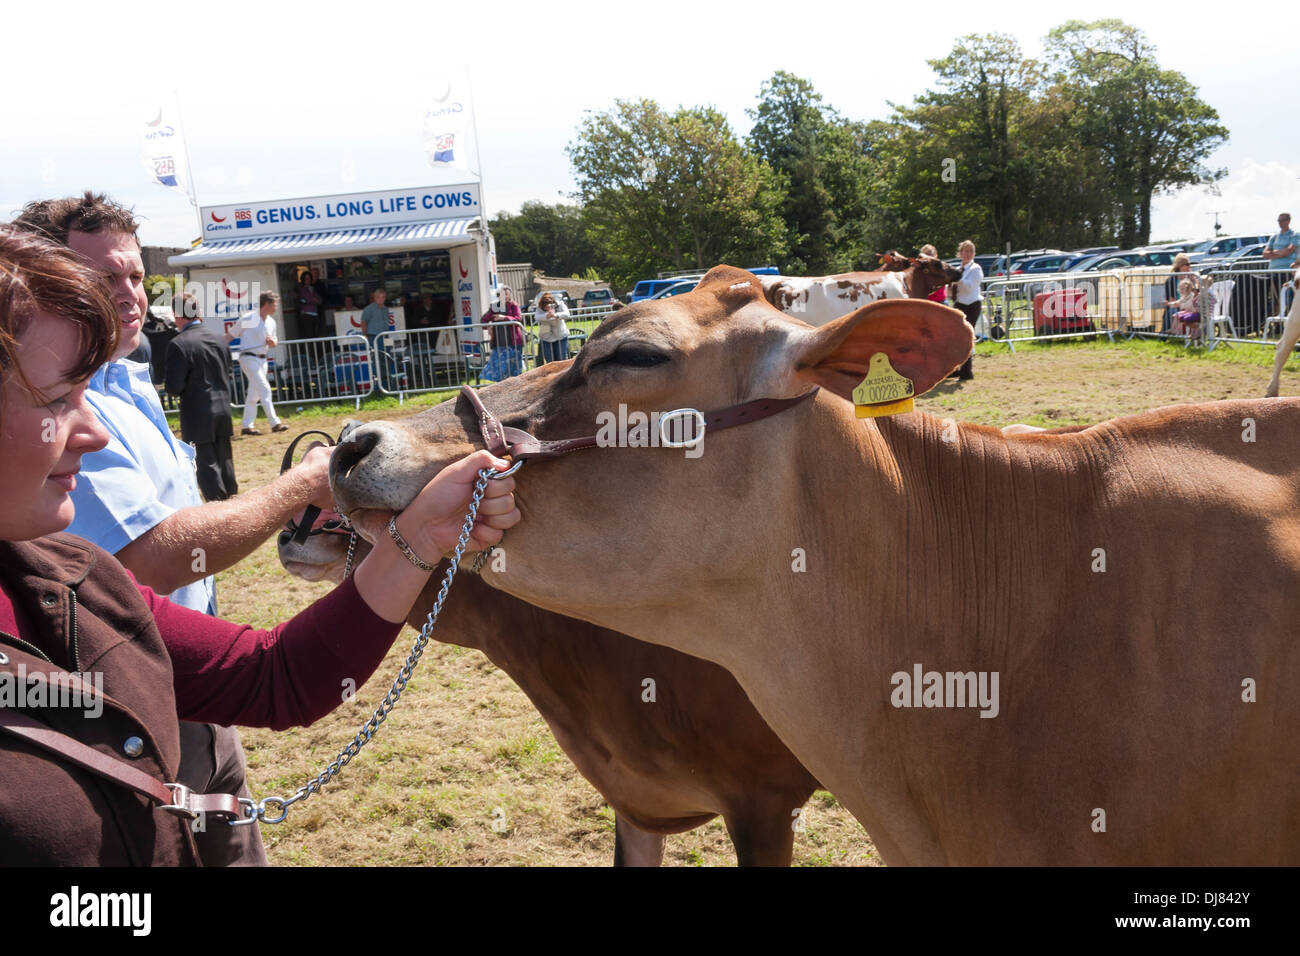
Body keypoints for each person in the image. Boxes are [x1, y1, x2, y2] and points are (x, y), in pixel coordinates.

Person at [0, 226, 520, 865]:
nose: (93, 434)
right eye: (58, 400)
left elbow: (276, 677)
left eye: (86, 396)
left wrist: (424, 534)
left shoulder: (70, 575)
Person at [10, 192, 331, 867]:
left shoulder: (124, 382)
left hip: (193, 688)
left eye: (134, 276)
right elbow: (153, 559)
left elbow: (279, 670)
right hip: (123, 707)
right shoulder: (63, 411)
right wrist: (302, 486)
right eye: (102, 278)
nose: (126, 293)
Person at [164, 293, 237, 501]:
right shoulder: (219, 340)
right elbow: (228, 371)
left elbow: (174, 387)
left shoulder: (179, 344)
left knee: (205, 463)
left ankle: (216, 505)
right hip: (223, 405)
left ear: (177, 314)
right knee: (225, 458)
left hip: (197, 411)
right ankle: (232, 500)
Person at [227, 291, 285, 435]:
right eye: (275, 303)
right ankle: (275, 423)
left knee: (254, 395)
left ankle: (247, 426)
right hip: (248, 358)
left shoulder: (271, 321)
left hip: (262, 359)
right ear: (267, 304)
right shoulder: (248, 318)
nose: (276, 307)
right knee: (265, 389)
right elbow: (231, 335)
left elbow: (275, 341)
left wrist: (273, 342)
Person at [952, 240, 983, 381]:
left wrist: (958, 280)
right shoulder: (958, 269)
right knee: (958, 338)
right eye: (965, 251)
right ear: (960, 253)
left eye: (971, 251)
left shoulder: (975, 268)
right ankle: (958, 368)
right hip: (959, 304)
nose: (968, 254)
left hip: (972, 305)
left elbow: (970, 287)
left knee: (966, 337)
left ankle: (966, 371)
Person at [481, 286, 523, 380]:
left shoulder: (514, 305)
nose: (505, 297)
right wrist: (488, 327)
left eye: (507, 294)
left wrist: (503, 317)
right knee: (500, 369)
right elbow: (483, 320)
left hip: (514, 342)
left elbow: (518, 319)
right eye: (502, 295)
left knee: (515, 368)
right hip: (499, 343)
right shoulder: (494, 307)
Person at [1263, 213, 1299, 315]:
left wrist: (1273, 253)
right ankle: (1278, 321)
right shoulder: (1274, 237)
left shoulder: (1295, 235)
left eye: (1282, 220)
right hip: (1273, 272)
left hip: (1287, 271)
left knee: (1287, 298)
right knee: (1276, 299)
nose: (1280, 223)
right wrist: (1280, 253)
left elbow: (1288, 251)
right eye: (1279, 221)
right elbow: (1265, 253)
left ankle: (1287, 319)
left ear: (1288, 220)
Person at [535, 292, 571, 365]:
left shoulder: (560, 304)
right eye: (545, 307)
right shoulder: (539, 307)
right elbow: (537, 317)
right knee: (550, 362)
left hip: (560, 336)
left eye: (549, 306)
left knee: (561, 360)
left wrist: (556, 315)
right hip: (546, 338)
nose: (547, 308)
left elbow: (567, 314)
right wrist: (546, 316)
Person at [1162, 254, 1194, 333]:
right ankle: (1163, 336)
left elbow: (1197, 292)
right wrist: (1180, 305)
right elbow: (1170, 299)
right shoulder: (1171, 280)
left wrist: (1194, 280)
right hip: (1178, 305)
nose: (1189, 267)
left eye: (1189, 264)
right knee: (1172, 311)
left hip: (1191, 305)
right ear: (1180, 265)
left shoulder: (1191, 277)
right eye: (1187, 264)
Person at [297, 269, 322, 339]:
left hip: (315, 313)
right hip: (306, 314)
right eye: (306, 278)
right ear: (303, 279)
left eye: (309, 278)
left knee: (316, 334)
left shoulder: (313, 288)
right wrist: (314, 300)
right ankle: (310, 349)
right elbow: (309, 299)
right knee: (309, 335)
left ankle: (315, 349)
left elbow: (320, 300)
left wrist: (316, 300)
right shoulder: (302, 289)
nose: (308, 280)